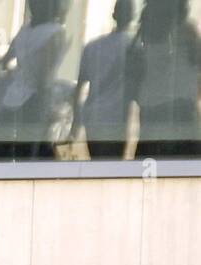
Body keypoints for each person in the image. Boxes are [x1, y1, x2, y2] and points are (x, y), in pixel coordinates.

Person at [0, 0, 70, 159]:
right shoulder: (55, 32)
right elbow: (44, 74)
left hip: (15, 95)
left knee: (1, 143)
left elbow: (5, 62)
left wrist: (16, 73)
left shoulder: (25, 31)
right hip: (35, 96)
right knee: (30, 147)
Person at [130, 0, 201, 157]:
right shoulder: (188, 33)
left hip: (152, 116)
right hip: (182, 116)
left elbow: (133, 85)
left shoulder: (146, 33)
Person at [76, 0, 136, 158]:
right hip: (116, 118)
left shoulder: (92, 46)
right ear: (132, 16)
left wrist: (76, 120)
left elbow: (79, 85)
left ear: (114, 14)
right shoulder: (133, 47)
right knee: (113, 164)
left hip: (92, 115)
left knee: (96, 161)